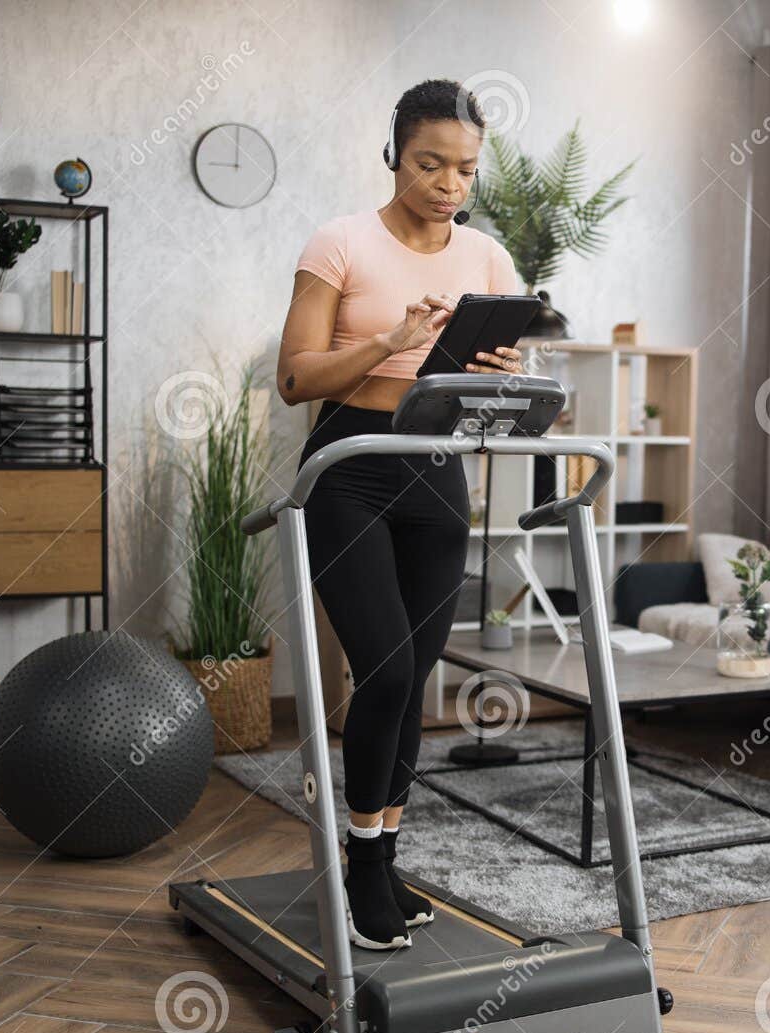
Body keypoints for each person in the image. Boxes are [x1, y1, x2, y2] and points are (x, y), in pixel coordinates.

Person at [275, 78, 521, 950]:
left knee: (412, 676)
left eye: (464, 169)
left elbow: (492, 379)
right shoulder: (339, 242)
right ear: (394, 154)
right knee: (379, 669)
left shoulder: (487, 256)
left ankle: (381, 860)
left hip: (435, 472)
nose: (450, 183)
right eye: (430, 163)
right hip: (348, 469)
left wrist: (495, 371)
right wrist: (388, 341)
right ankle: (358, 861)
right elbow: (296, 377)